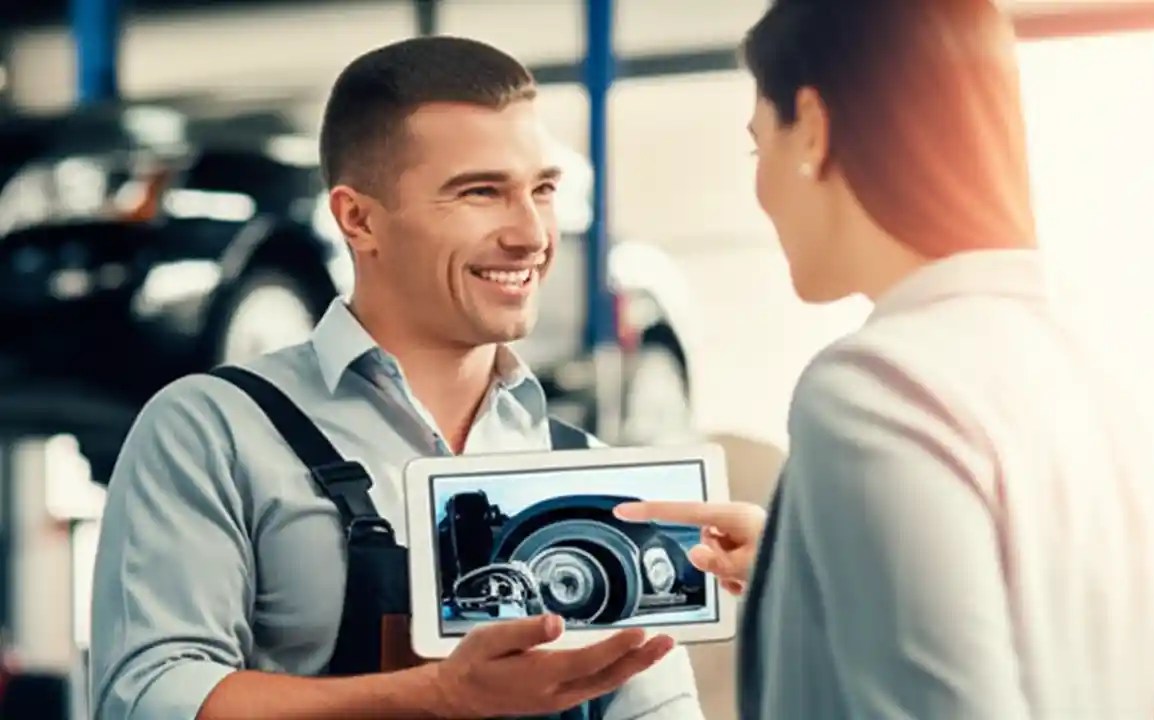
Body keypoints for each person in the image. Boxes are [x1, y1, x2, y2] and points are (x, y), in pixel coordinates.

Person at [89, 36, 704, 720]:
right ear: (358, 218)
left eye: (543, 190)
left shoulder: (591, 474)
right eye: (480, 193)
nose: (531, 234)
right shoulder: (212, 433)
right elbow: (150, 699)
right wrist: (436, 695)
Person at [617, 1, 1154, 718]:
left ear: (814, 130)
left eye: (759, 147)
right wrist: (802, 576)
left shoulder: (874, 389)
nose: (760, 189)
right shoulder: (1091, 367)